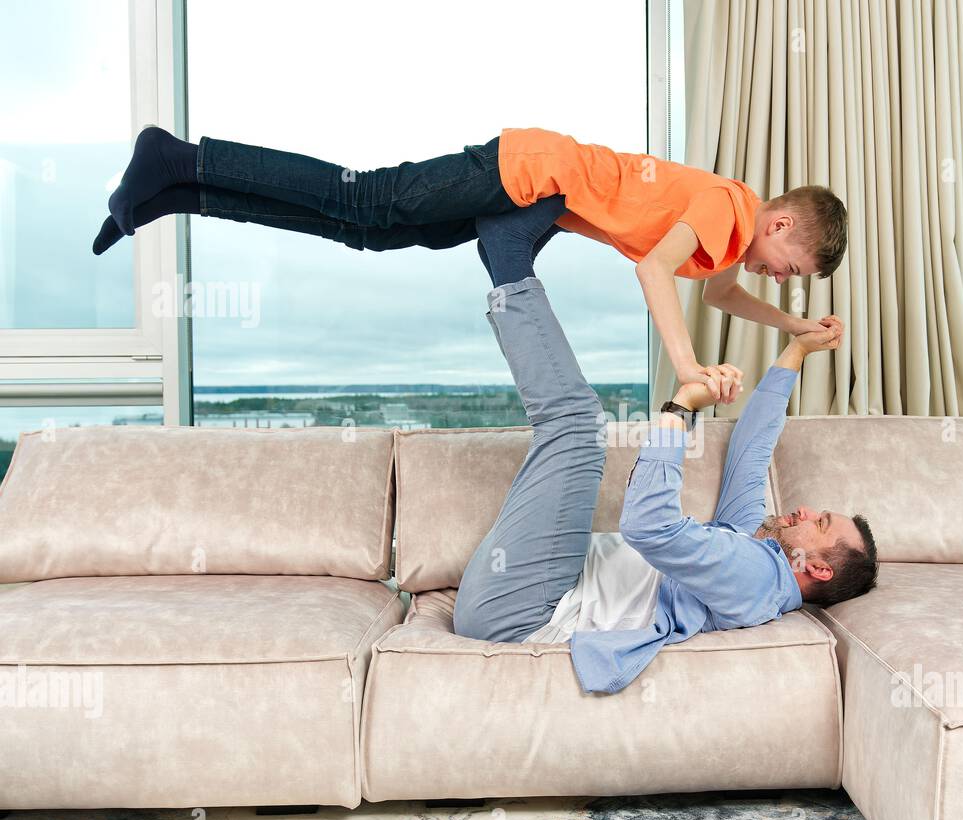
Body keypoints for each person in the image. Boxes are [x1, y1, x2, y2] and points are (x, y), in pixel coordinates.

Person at [459, 196, 878, 695]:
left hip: (523, 610)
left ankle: (507, 255)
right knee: (576, 424)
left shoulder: (757, 578)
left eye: (821, 523)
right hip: (530, 585)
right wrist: (797, 349)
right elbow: (751, 453)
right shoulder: (753, 548)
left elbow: (648, 526)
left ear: (818, 568)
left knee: (576, 426)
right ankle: (503, 259)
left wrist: (680, 409)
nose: (805, 510)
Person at [93, 125, 849, 401]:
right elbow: (653, 271)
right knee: (367, 198)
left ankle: (183, 192)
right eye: (792, 267)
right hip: (524, 171)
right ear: (780, 223)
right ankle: (179, 157)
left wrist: (795, 328)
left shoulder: (729, 237)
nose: (783, 278)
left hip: (534, 197)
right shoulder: (726, 208)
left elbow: (719, 296)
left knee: (370, 233)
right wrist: (687, 367)